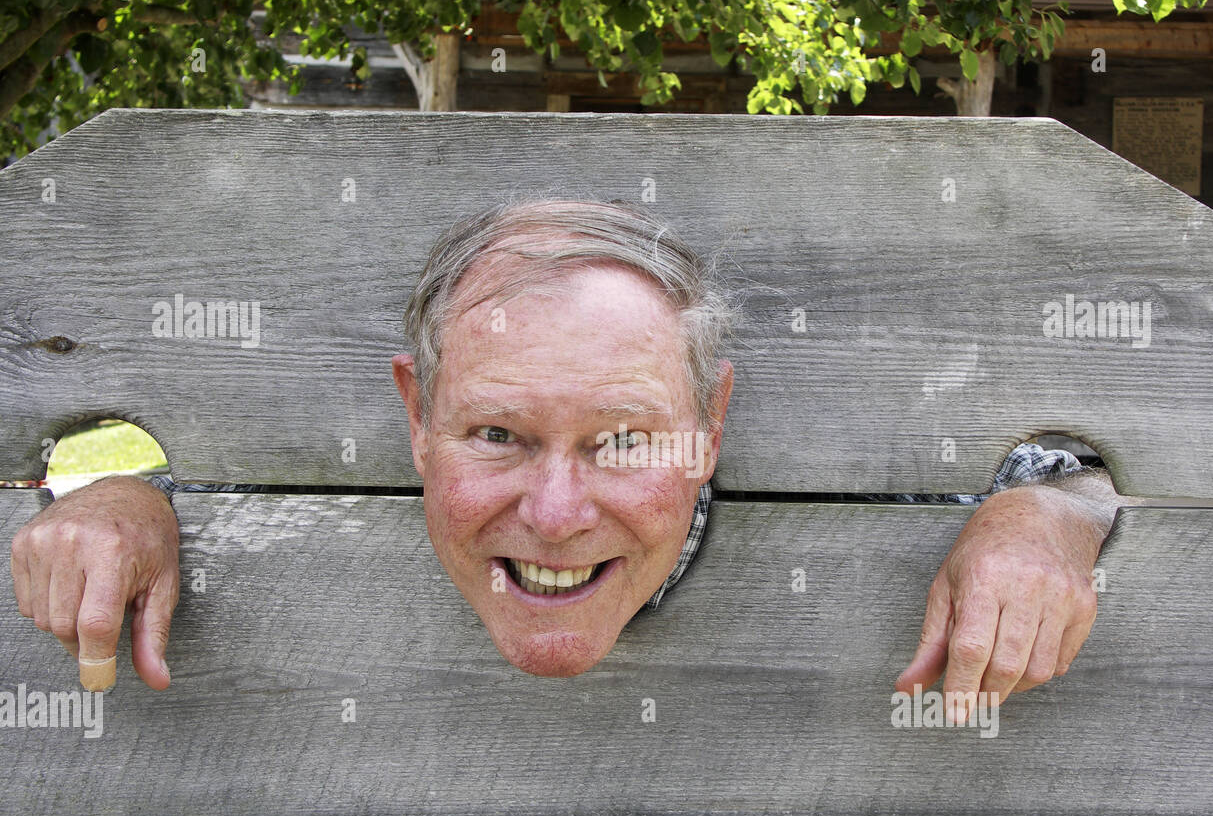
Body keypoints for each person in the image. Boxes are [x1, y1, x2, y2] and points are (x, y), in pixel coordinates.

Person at [9, 200, 1119, 715]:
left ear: (713, 425)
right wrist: (114, 492)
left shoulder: (905, 500)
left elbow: (1084, 463)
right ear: (414, 413)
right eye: (497, 434)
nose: (552, 512)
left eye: (624, 440)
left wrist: (1054, 515)